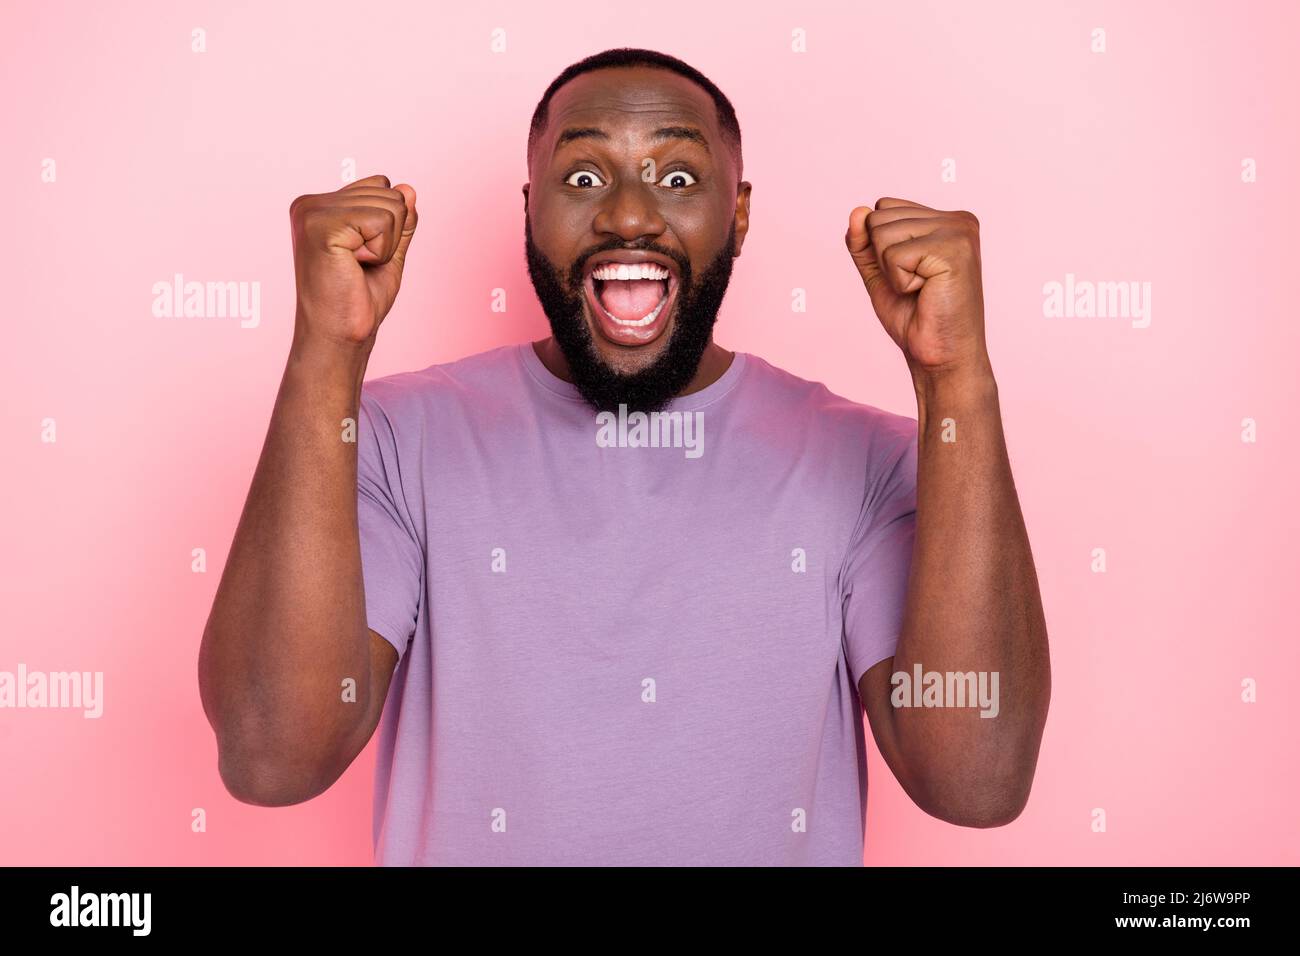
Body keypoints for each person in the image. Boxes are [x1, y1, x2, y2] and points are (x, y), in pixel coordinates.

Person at [198, 47, 1050, 866]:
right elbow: (274, 754)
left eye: (678, 178)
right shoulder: (385, 438)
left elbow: (976, 778)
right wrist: (326, 351)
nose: (631, 214)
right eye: (583, 178)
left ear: (739, 214)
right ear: (528, 208)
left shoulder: (868, 461)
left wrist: (956, 380)